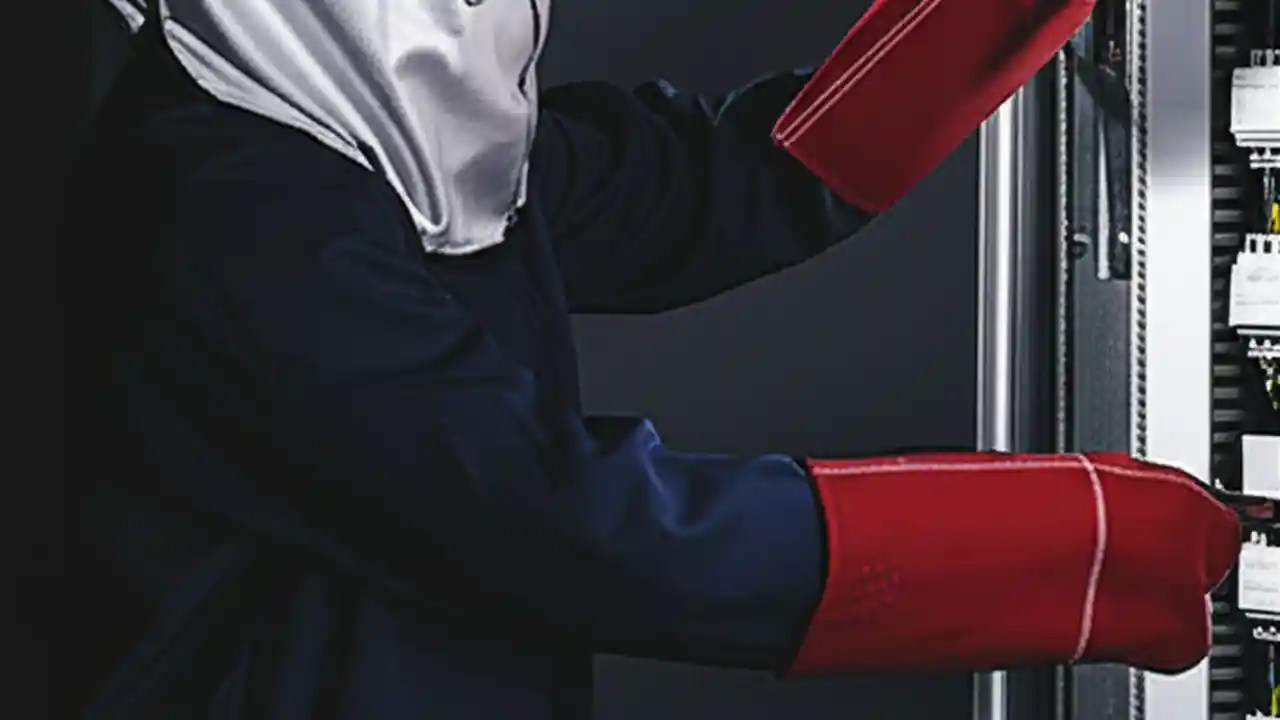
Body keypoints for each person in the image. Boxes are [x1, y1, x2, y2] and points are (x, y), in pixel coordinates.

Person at [58, 1, 1240, 719]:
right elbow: (583, 529)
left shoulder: (387, 138)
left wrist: (992, 17)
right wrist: (1090, 542)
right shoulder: (229, 207)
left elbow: (713, 189)